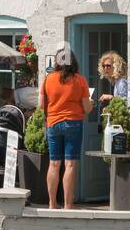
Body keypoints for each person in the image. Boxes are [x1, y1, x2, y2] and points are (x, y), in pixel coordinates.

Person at [37, 44, 92, 210]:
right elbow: (87, 108)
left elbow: (40, 105)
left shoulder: (48, 79)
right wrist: (91, 104)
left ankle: (52, 203)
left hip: (53, 123)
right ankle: (68, 205)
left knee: (54, 164)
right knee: (70, 165)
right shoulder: (80, 80)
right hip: (73, 123)